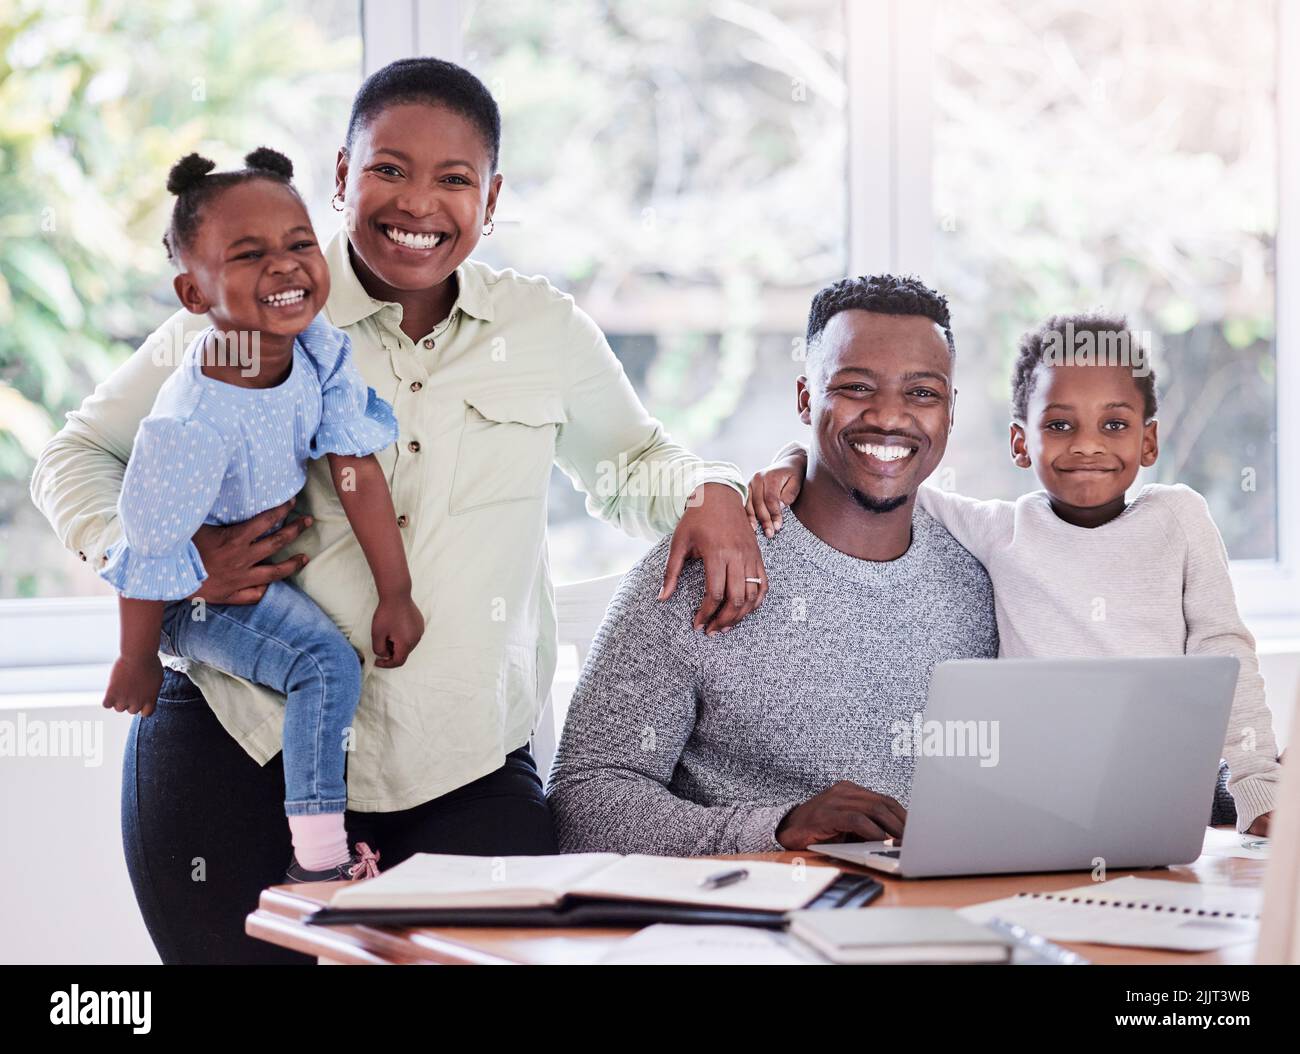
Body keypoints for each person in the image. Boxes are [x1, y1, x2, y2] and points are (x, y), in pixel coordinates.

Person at [30, 58, 764, 963]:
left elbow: (631, 463)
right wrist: (171, 561)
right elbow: (78, 455)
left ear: (490, 201)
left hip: (463, 771)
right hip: (238, 748)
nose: (419, 202)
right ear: (341, 176)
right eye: (389, 169)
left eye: (454, 179)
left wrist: (711, 490)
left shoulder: (544, 332)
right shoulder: (256, 299)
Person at [751, 311, 1283, 835]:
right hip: (1032, 810)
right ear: (1020, 443)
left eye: (1115, 425)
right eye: (1059, 425)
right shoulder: (1000, 531)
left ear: (1149, 441)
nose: (1087, 444)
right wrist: (792, 459)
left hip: (1157, 800)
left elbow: (1226, 650)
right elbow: (880, 471)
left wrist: (1257, 785)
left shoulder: (1179, 518)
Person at [547, 275, 998, 854]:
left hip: (938, 917)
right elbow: (584, 801)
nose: (890, 416)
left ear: (950, 411)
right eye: (856, 387)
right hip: (745, 923)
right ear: (806, 399)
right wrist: (778, 829)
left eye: (922, 394)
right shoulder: (709, 566)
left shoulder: (981, 581)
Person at [101, 147, 424, 882]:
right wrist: (136, 657)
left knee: (323, 662)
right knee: (325, 666)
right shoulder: (192, 422)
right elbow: (151, 546)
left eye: (299, 244)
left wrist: (395, 589)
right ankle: (316, 864)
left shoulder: (313, 347)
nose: (284, 267)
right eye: (248, 255)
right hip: (183, 597)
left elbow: (353, 466)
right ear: (193, 292)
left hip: (245, 574)